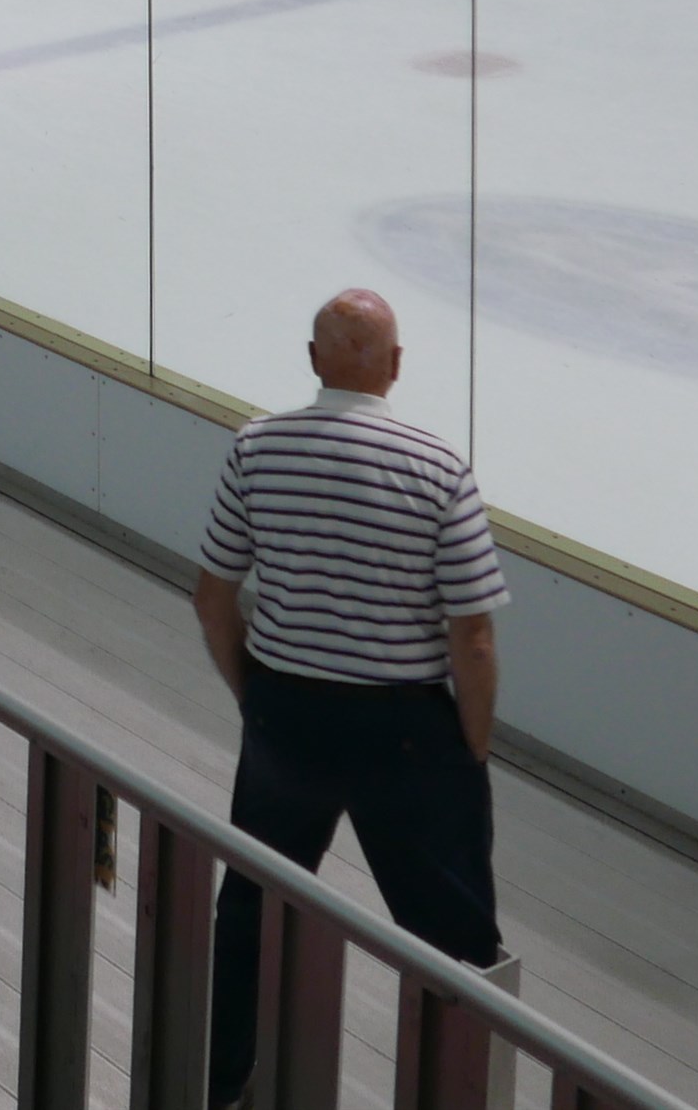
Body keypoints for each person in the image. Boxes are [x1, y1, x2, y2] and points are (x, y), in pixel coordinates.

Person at [195, 289, 506, 1107]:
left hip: (285, 718)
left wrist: (255, 698)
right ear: (396, 368)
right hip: (405, 732)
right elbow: (471, 637)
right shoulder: (438, 467)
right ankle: (457, 1090)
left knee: (251, 909)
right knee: (456, 944)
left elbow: (212, 593)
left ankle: (223, 1080)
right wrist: (469, 747)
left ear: (311, 359)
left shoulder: (258, 448)